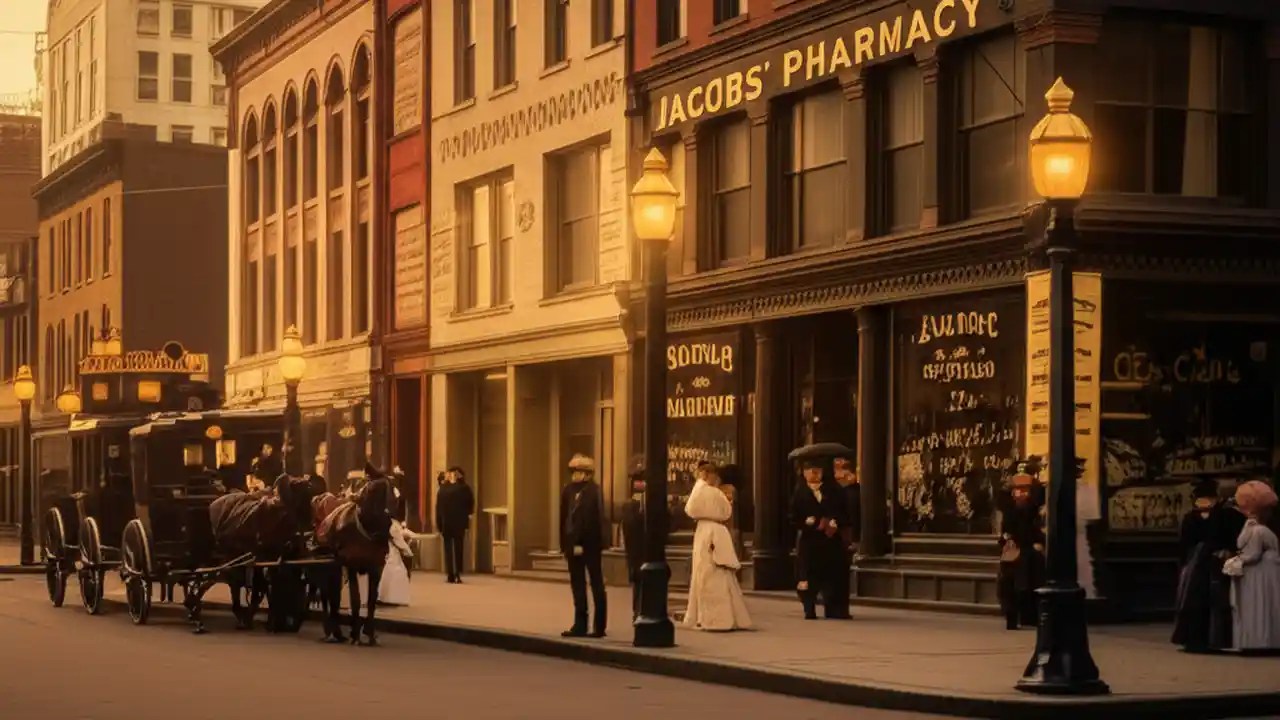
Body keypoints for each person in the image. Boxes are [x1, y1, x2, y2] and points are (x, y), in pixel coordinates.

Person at [682, 464, 753, 631]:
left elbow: (690, 509)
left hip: (703, 532)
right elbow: (727, 512)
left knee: (703, 573)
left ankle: (705, 617)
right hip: (717, 531)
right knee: (720, 574)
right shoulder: (715, 493)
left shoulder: (698, 492)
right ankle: (724, 617)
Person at [1172, 478, 1236, 652]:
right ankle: (1207, 640)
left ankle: (1197, 639)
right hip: (1206, 563)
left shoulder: (1196, 517)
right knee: (1209, 602)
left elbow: (1184, 544)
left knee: (1197, 601)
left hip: (1200, 563)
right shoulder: (1222, 515)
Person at [790, 456, 846, 619]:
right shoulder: (800, 493)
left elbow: (844, 512)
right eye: (810, 471)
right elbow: (792, 517)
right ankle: (809, 608)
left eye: (818, 471)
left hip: (830, 540)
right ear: (804, 473)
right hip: (809, 541)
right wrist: (805, 522)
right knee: (808, 576)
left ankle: (833, 609)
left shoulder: (834, 491)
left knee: (830, 574)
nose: (814, 474)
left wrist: (836, 521)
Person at [1228, 480, 1280, 651]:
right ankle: (1265, 640)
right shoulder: (1260, 530)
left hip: (1259, 572)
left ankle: (1256, 639)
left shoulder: (1250, 528)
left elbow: (1242, 545)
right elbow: (1254, 553)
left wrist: (1237, 560)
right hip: (1266, 573)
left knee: (1257, 606)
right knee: (1265, 605)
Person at [560, 454, 608, 638]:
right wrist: (564, 544)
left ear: (588, 474)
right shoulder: (568, 491)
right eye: (573, 471)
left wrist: (586, 542)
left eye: (578, 471)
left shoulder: (594, 491)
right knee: (577, 585)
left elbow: (596, 519)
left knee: (596, 583)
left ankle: (599, 626)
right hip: (572, 545)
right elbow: (564, 517)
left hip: (591, 544)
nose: (575, 475)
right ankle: (580, 624)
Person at [996, 465, 1045, 630]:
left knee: (1014, 584)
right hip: (1021, 547)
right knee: (1019, 583)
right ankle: (1022, 616)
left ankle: (1017, 616)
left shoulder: (1014, 500)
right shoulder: (1029, 496)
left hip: (1017, 547)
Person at [829, 456, 859, 620]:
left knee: (840, 574)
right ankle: (836, 607)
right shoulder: (835, 491)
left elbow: (852, 515)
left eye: (842, 469)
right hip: (836, 536)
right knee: (837, 574)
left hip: (843, 536)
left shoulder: (850, 491)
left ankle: (839, 608)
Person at [436, 467, 474, 584]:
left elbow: (438, 509)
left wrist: (439, 524)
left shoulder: (442, 490)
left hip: (446, 523)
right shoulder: (464, 488)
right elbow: (470, 504)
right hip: (459, 523)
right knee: (458, 547)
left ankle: (450, 574)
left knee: (448, 549)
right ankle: (457, 573)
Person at [620, 456, 646, 620]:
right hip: (641, 551)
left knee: (638, 580)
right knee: (641, 580)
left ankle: (637, 610)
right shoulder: (635, 508)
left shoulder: (629, 507)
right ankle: (639, 610)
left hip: (635, 553)